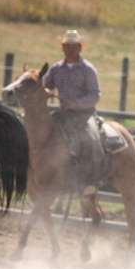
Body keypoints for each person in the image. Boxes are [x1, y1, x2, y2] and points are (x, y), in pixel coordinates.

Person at [43, 29, 103, 192]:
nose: (70, 49)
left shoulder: (88, 69)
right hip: (63, 114)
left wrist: (75, 103)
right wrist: (44, 91)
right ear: (62, 47)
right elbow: (45, 85)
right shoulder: (55, 69)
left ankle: (90, 179)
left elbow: (95, 95)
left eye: (73, 46)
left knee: (90, 138)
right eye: (67, 46)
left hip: (84, 114)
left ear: (80, 47)